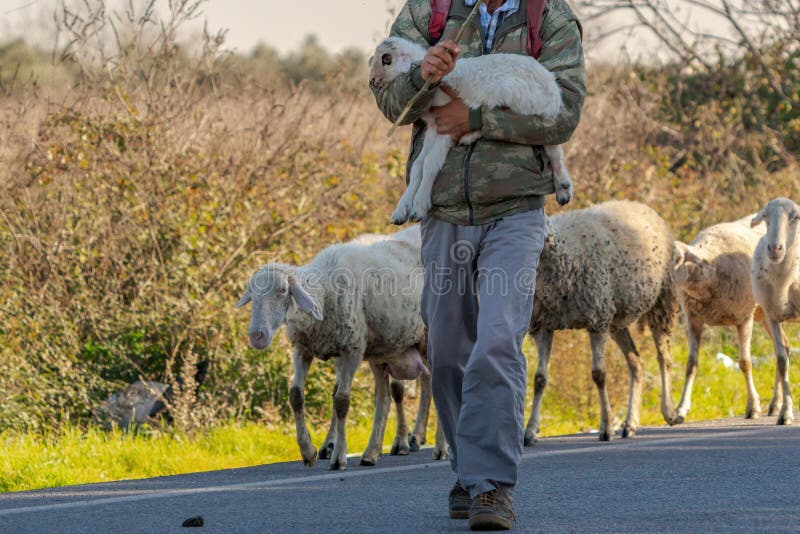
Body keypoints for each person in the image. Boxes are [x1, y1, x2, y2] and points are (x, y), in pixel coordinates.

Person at [371, 0, 585, 530]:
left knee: (496, 343)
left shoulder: (548, 17)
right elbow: (391, 103)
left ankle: (491, 488)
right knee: (446, 352)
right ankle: (469, 472)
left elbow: (565, 112)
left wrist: (478, 119)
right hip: (442, 213)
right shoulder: (429, 12)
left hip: (515, 212)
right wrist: (423, 74)